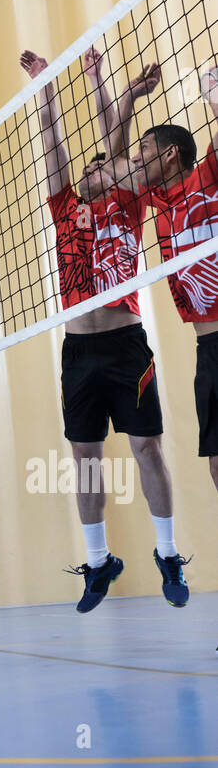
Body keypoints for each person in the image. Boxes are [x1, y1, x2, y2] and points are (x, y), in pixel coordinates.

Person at [20, 49, 188, 611]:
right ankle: (98, 563)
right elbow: (51, 141)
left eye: (102, 166)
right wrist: (45, 88)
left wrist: (111, 88)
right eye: (88, 167)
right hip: (77, 350)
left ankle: (167, 553)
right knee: (84, 456)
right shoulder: (64, 204)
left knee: (146, 446)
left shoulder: (126, 200)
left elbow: (114, 144)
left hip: (125, 343)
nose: (95, 170)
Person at [129, 67, 218, 495]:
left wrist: (213, 92)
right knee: (217, 464)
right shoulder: (156, 198)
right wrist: (126, 97)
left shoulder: (209, 174)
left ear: (170, 155)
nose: (136, 157)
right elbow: (113, 167)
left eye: (144, 148)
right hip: (210, 349)